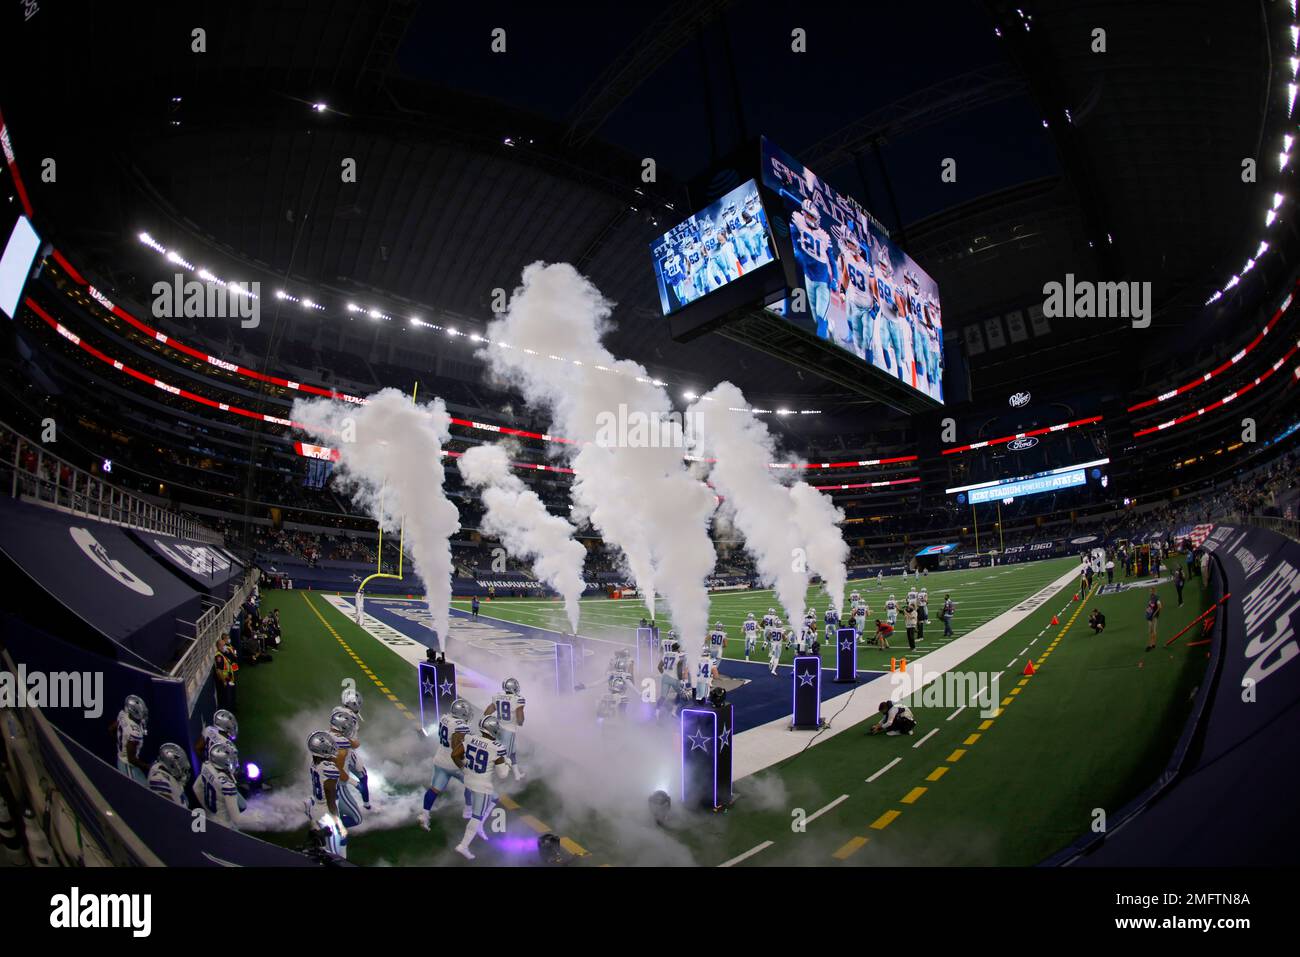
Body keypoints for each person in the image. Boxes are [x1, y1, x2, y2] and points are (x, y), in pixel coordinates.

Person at [452, 714, 510, 860]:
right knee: (476, 816)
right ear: (494, 729)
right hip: (482, 786)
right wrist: (507, 763)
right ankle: (463, 845)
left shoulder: (470, 738)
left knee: (495, 799)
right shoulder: (497, 748)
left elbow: (454, 755)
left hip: (469, 780)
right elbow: (503, 775)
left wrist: (464, 769)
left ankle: (479, 825)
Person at [419, 697, 473, 830]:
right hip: (453, 762)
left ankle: (424, 815)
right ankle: (468, 810)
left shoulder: (444, 718)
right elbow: (457, 747)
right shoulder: (461, 726)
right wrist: (463, 764)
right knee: (471, 783)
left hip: (440, 759)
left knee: (434, 789)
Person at [307, 729, 348, 858]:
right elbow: (331, 801)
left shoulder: (314, 764)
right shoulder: (329, 769)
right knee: (334, 856)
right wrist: (339, 823)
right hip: (326, 814)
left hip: (316, 808)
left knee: (322, 850)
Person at [195, 742, 244, 831]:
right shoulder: (227, 784)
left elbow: (196, 788)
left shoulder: (206, 766)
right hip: (225, 827)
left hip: (210, 818)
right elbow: (237, 820)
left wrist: (208, 808)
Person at [488, 677, 526, 781]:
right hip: (509, 731)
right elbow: (520, 719)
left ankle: (517, 774)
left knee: (512, 752)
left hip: (499, 728)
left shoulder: (498, 697)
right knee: (504, 756)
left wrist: (487, 721)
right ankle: (493, 776)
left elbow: (488, 711)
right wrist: (520, 721)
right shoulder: (517, 699)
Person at [113, 695, 150, 782]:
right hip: (127, 765)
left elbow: (111, 729)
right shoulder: (134, 732)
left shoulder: (123, 714)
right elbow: (131, 759)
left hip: (120, 758)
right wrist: (148, 767)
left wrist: (121, 741)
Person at [147, 743, 192, 807]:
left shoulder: (161, 768)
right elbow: (168, 811)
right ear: (172, 766)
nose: (184, 773)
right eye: (182, 768)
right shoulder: (159, 780)